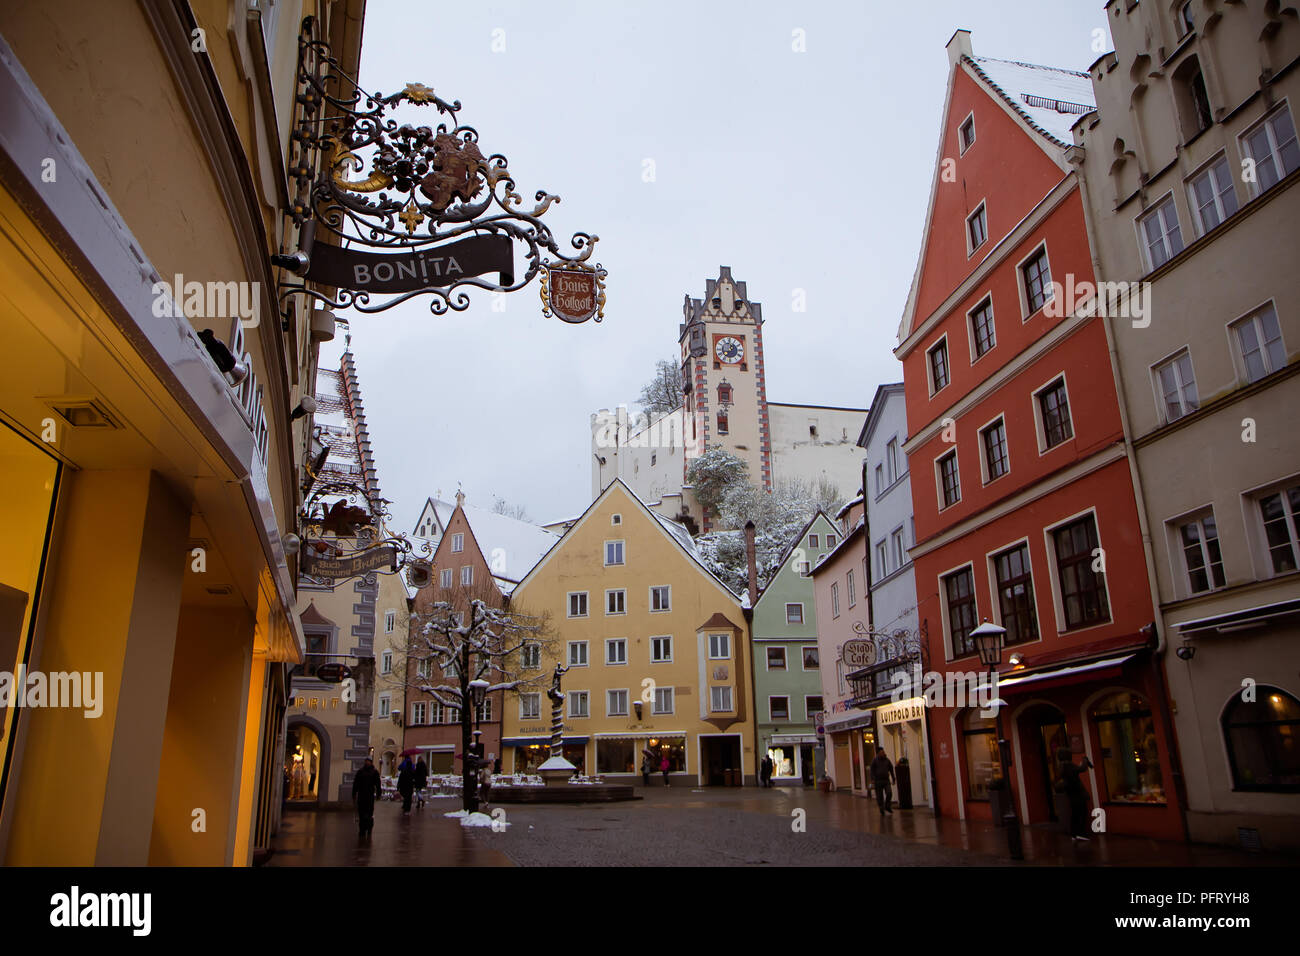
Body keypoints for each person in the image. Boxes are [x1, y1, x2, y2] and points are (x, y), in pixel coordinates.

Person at [1058, 748, 1093, 841]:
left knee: (1075, 814)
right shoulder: (1068, 765)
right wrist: (1085, 760)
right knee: (1080, 814)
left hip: (1071, 794)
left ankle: (1074, 834)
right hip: (1077, 794)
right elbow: (1081, 769)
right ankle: (1080, 833)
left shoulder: (1061, 766)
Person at [353, 757, 382, 837]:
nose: (367, 763)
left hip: (369, 796)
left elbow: (378, 784)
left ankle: (369, 828)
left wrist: (379, 793)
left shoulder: (374, 772)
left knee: (369, 813)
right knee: (361, 813)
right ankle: (362, 829)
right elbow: (356, 783)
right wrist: (354, 793)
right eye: (366, 761)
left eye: (368, 761)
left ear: (371, 762)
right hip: (362, 796)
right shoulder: (360, 772)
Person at [870, 746, 895, 815]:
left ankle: (887, 806)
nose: (883, 753)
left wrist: (893, 778)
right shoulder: (875, 760)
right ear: (878, 753)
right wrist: (872, 779)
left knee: (889, 793)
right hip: (878, 781)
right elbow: (872, 770)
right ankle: (881, 807)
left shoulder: (887, 760)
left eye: (883, 752)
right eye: (881, 752)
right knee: (879, 796)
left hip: (886, 780)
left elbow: (891, 768)